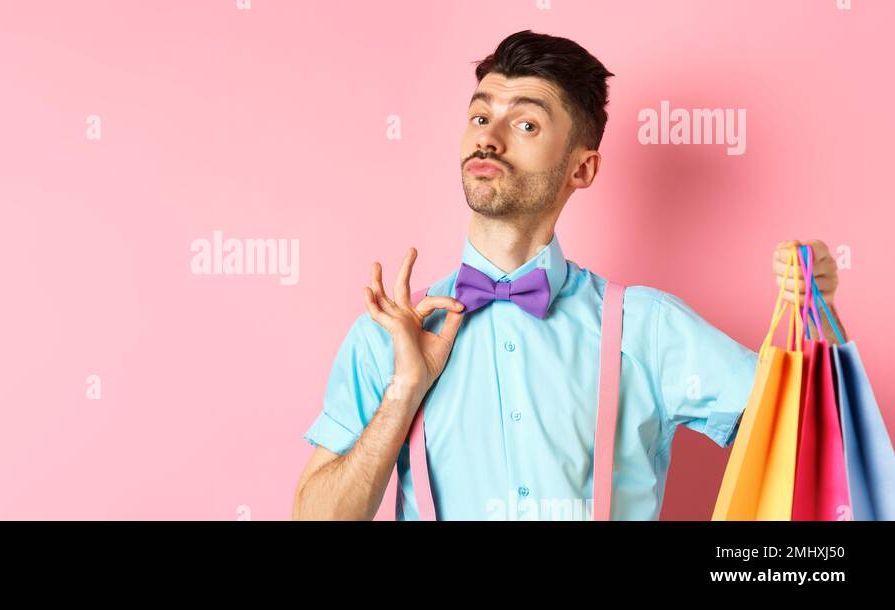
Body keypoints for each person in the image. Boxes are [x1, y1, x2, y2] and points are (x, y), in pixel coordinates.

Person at [291, 30, 845, 521]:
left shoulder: (646, 328)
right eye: (481, 117)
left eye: (525, 123)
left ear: (582, 168)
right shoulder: (389, 334)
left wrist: (814, 310)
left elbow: (821, 437)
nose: (489, 137)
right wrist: (403, 390)